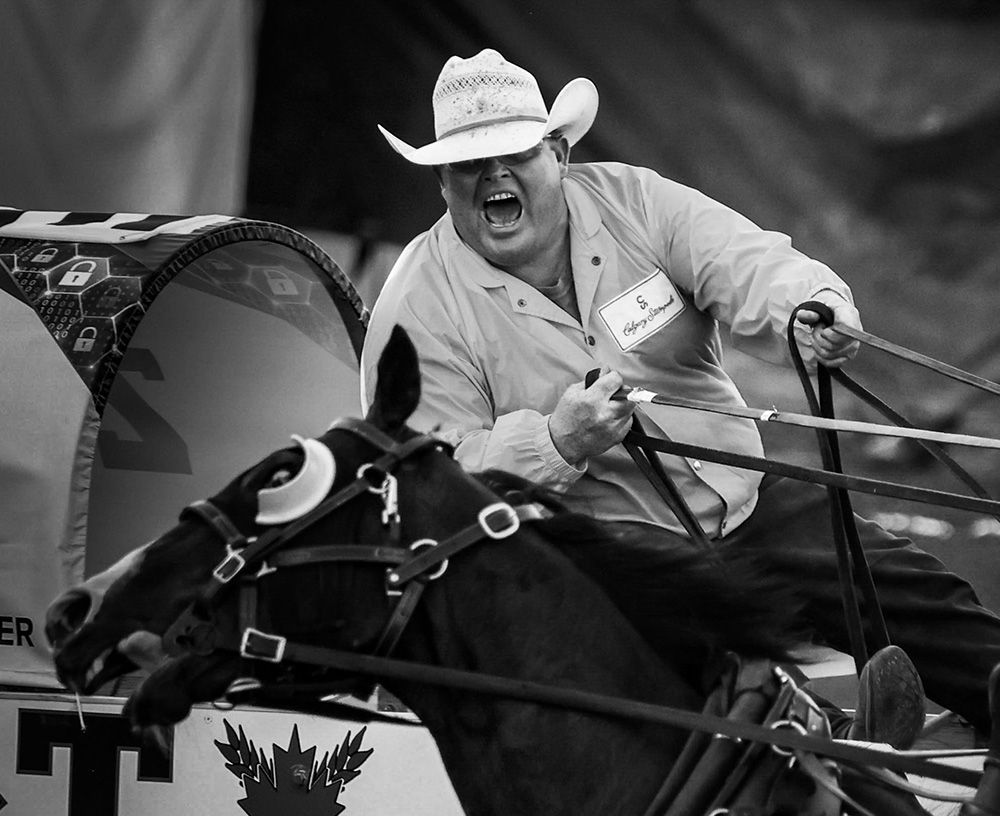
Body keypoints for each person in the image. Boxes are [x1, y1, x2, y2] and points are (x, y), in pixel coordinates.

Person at [361, 48, 1000, 744]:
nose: (494, 174)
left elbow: (743, 260)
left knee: (936, 610)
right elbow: (426, 481)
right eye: (468, 164)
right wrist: (555, 443)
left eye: (515, 153)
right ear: (443, 184)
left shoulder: (634, 199)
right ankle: (825, 738)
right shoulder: (414, 307)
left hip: (748, 502)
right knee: (709, 709)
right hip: (609, 560)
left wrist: (806, 308)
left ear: (559, 154)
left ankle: (849, 733)